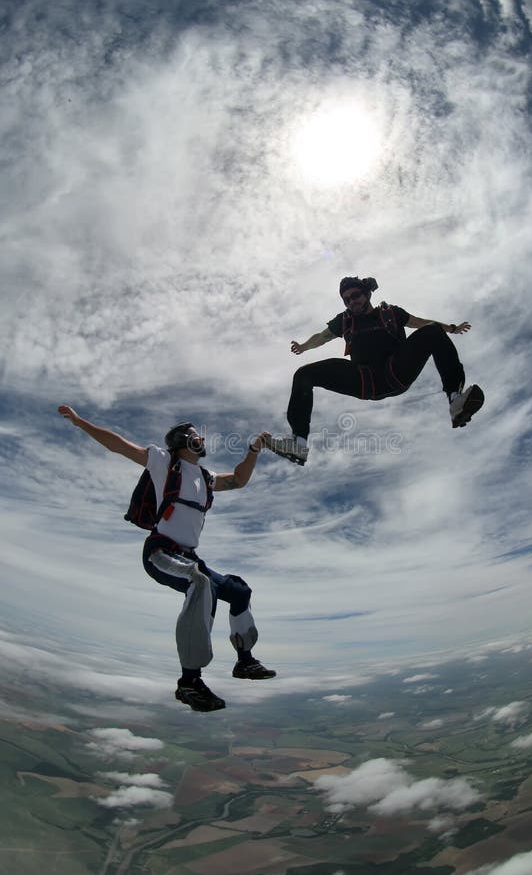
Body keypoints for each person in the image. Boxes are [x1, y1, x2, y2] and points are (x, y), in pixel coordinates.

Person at [58, 406, 276, 713]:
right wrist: (81, 422)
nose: (202, 439)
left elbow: (239, 480)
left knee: (239, 590)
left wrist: (254, 449)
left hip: (188, 557)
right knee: (200, 583)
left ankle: (245, 662)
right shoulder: (163, 462)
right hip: (160, 552)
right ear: (182, 440)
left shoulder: (205, 477)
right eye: (196, 435)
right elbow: (119, 445)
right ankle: (189, 682)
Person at [268, 276, 484, 465]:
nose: (352, 302)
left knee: (433, 331)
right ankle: (299, 443)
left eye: (355, 296)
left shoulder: (391, 313)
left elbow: (420, 322)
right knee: (304, 374)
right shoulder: (344, 321)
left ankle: (455, 400)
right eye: (347, 300)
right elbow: (322, 337)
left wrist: (450, 328)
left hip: (396, 371)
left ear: (367, 294)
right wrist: (303, 347)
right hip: (365, 379)